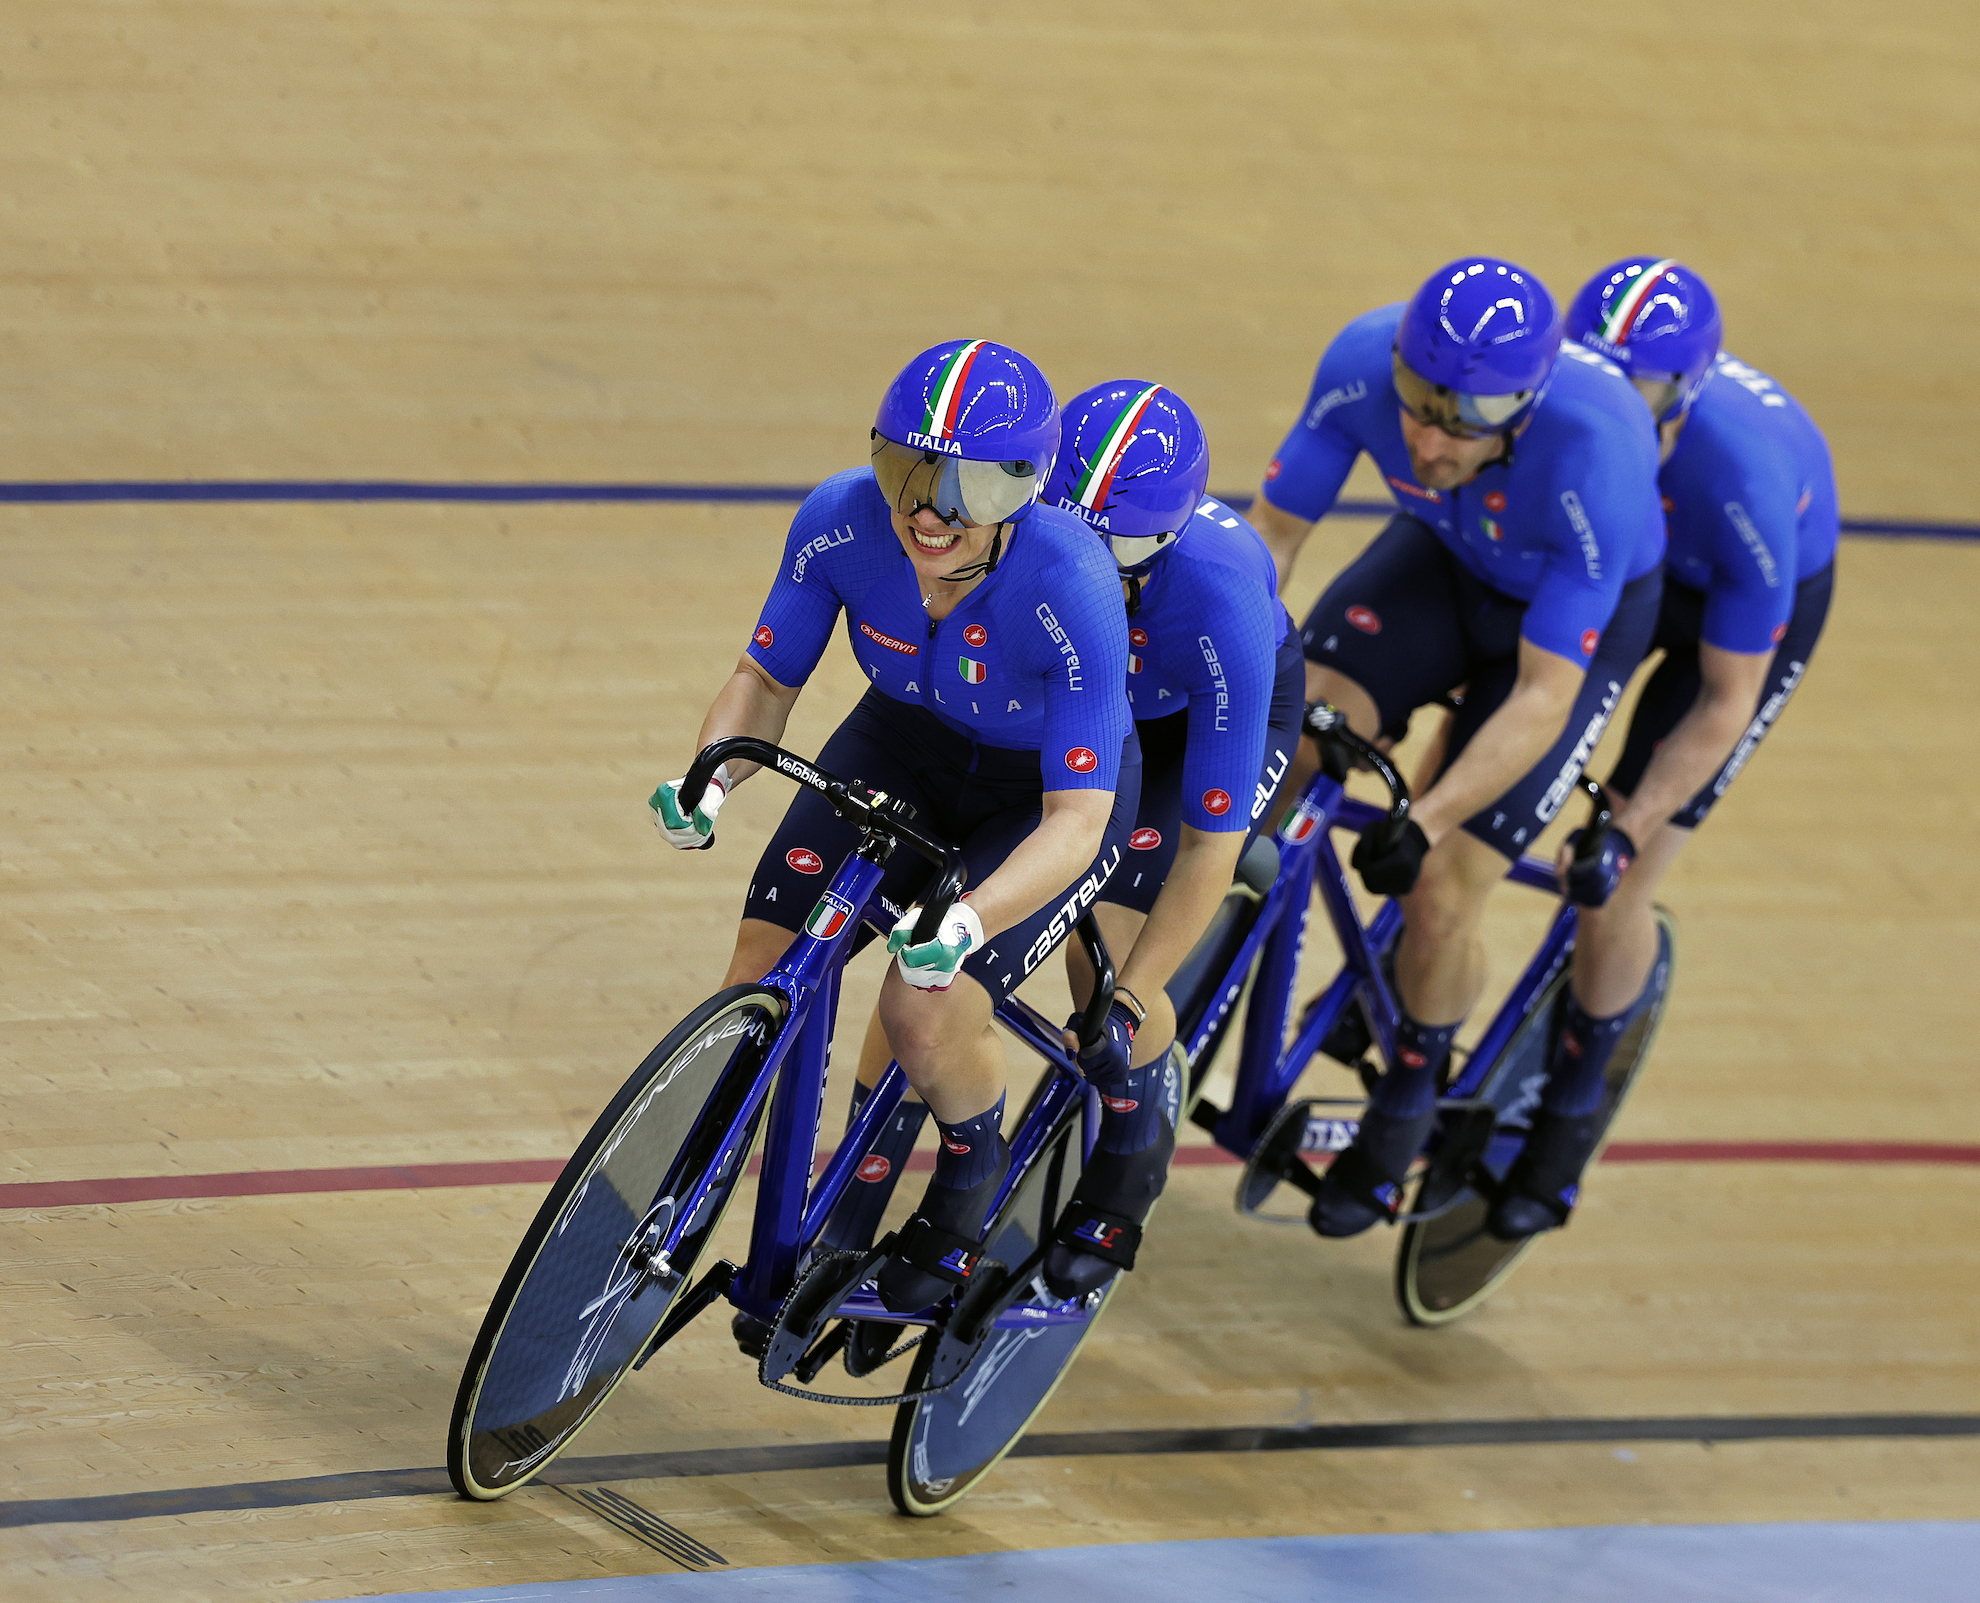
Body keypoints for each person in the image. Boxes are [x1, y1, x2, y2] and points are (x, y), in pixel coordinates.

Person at [644, 338, 1136, 1313]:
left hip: (1033, 798)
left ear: (1023, 488)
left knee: (921, 1000)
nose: (926, 509)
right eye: (907, 468)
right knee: (758, 968)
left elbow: (1079, 821)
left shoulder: (1072, 583)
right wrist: (708, 779)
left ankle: (966, 1168)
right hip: (902, 742)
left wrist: (969, 919)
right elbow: (765, 680)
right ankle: (688, 1195)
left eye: (964, 488)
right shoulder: (840, 520)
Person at [1249, 257, 1667, 1238]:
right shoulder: (1361, 357)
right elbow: (1270, 537)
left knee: (1438, 889)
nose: (1425, 440)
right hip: (1443, 562)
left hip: (1562, 640)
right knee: (1290, 737)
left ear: (1521, 411)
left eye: (1460, 425)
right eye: (1416, 407)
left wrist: (1424, 816)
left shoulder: (1597, 451)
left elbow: (1541, 695)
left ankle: (1410, 1092)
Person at [1486, 258, 1840, 1241]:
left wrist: (1630, 825)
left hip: (1734, 599)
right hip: (1627, 564)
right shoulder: (1554, 421)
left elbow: (1728, 700)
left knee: (1613, 880)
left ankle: (1572, 1107)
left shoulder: (1745, 483)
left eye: (1636, 392)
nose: (1611, 406)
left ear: (1681, 399)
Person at [1034, 379, 1306, 1295]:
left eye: (1108, 561)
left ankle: (1128, 1155)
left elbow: (1205, 849)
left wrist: (1130, 996)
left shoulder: (1221, 599)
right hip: (1107, 705)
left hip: (1203, 720)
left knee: (1105, 951)